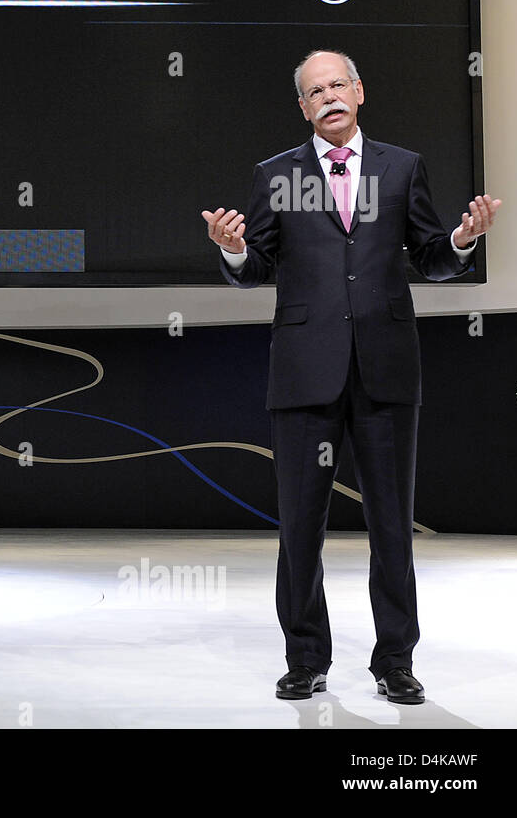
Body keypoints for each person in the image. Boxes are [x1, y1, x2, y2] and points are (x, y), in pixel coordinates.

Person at [203, 50, 500, 704]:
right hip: (304, 370)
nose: (329, 96)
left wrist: (459, 240)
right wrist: (233, 249)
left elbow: (430, 257)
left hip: (386, 368)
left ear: (360, 91)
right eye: (315, 91)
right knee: (300, 523)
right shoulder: (275, 175)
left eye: (339, 84)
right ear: (303, 107)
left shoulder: (402, 167)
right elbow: (258, 268)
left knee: (391, 524)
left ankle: (395, 659)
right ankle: (305, 656)